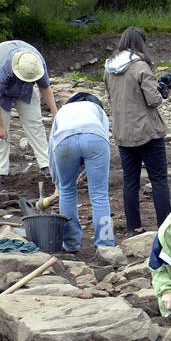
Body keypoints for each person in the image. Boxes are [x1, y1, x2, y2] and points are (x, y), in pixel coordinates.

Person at [104, 27, 171, 236]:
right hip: (147, 132)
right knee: (159, 179)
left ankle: (135, 227)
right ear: (141, 44)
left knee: (130, 181)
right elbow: (153, 100)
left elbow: (110, 96)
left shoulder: (109, 67)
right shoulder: (140, 66)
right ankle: (165, 227)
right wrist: (162, 91)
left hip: (123, 132)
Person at [0, 39, 57, 187]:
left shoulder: (37, 63)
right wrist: (0, 125)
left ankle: (46, 164)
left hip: (25, 87)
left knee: (35, 123)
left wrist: (56, 113)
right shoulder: (2, 69)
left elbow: (45, 88)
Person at [48, 91, 114, 254]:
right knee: (99, 194)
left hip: (64, 141)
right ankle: (105, 244)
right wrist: (86, 174)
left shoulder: (63, 112)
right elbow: (103, 139)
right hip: (95, 138)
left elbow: (51, 149)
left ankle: (71, 244)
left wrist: (57, 183)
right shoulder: (98, 111)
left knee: (67, 191)